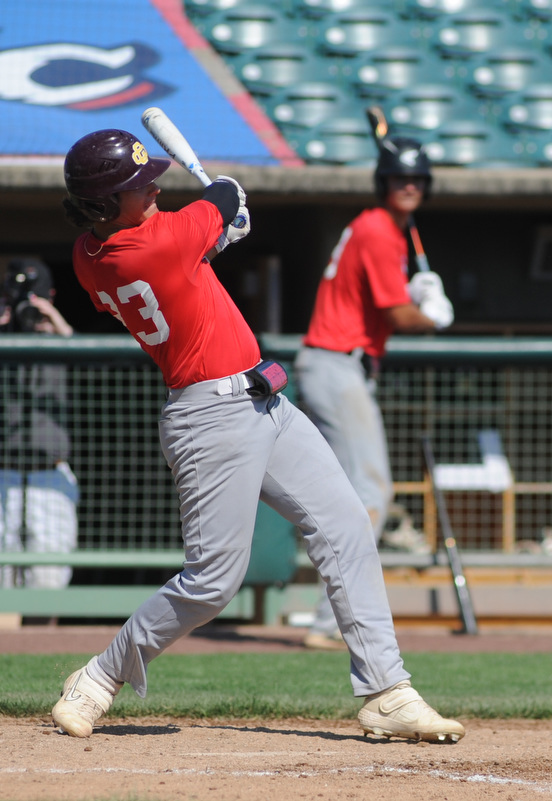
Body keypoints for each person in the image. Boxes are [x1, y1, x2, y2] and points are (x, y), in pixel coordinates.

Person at [51, 128, 464, 743]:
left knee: (347, 523)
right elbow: (220, 195)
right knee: (213, 580)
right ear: (105, 203)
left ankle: (387, 691)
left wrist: (216, 234)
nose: (156, 187)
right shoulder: (162, 241)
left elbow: (190, 248)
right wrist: (228, 211)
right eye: (140, 185)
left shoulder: (92, 253)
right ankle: (97, 679)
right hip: (209, 419)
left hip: (264, 402)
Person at [294, 136, 454, 651]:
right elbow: (397, 315)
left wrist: (416, 299)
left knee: (356, 496)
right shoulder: (381, 230)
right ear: (383, 181)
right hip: (336, 363)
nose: (407, 185)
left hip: (340, 366)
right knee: (370, 494)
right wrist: (432, 315)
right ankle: (329, 621)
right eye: (398, 178)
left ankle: (330, 618)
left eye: (415, 179)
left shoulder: (380, 227)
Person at [0, 258, 79, 594]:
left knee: (48, 580)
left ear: (50, 298)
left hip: (48, 472)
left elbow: (103, 374)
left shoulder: (62, 340)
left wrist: (56, 326)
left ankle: (45, 647)